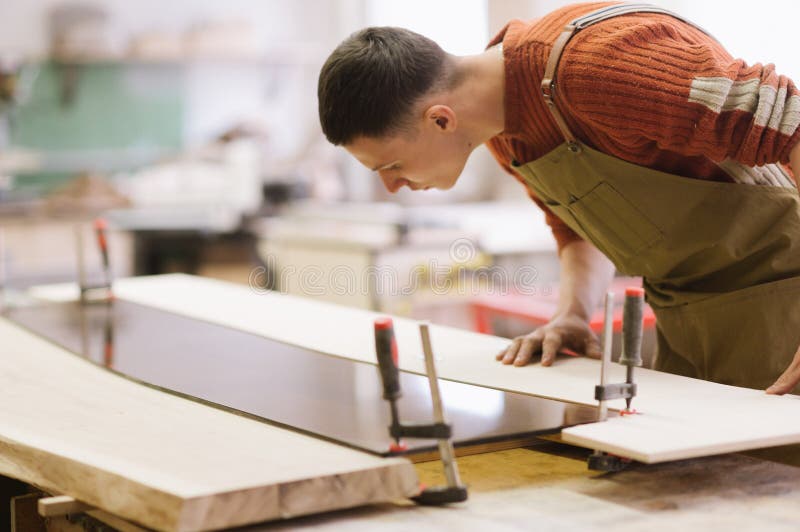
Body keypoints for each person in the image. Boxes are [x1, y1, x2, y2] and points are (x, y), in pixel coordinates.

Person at [317, 2, 800, 395]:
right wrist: (572, 314)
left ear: (441, 119)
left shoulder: (599, 66)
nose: (392, 188)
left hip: (783, 303)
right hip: (693, 321)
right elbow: (580, 227)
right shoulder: (503, 128)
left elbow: (793, 121)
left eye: (390, 167)